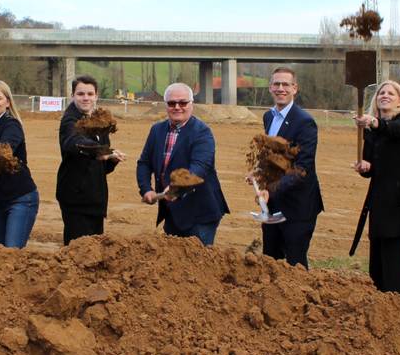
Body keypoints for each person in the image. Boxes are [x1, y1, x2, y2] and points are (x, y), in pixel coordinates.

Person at [136, 83, 229, 245]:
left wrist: (177, 187)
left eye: (183, 103)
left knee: (198, 259)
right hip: (172, 212)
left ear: (191, 104)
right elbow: (144, 163)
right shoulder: (157, 130)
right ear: (166, 105)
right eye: (172, 103)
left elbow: (199, 167)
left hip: (200, 213)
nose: (177, 107)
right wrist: (146, 189)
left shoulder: (202, 132)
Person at [351, 80, 400, 293]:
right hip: (380, 205)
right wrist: (364, 167)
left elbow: (395, 130)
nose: (385, 95)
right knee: (377, 273)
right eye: (382, 93)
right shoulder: (372, 132)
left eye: (391, 93)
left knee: (394, 274)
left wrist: (374, 123)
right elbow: (371, 168)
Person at [252, 67, 323, 268]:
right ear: (270, 88)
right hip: (273, 205)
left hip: (298, 207)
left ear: (294, 88)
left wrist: (271, 189)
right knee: (270, 261)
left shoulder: (305, 122)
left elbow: (302, 168)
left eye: (285, 84)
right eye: (276, 84)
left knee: (295, 265)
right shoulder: (269, 117)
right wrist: (258, 172)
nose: (280, 88)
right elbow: (272, 156)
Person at [56, 75, 126, 245]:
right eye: (80, 94)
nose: (85, 98)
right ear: (72, 96)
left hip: (95, 199)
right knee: (78, 251)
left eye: (90, 94)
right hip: (76, 200)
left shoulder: (98, 120)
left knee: (94, 251)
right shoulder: (70, 120)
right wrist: (103, 151)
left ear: (96, 96)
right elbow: (73, 142)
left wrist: (112, 160)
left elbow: (100, 166)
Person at [0, 80, 39, 248]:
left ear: (8, 103)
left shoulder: (12, 125)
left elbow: (4, 150)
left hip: (21, 199)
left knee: (11, 252)